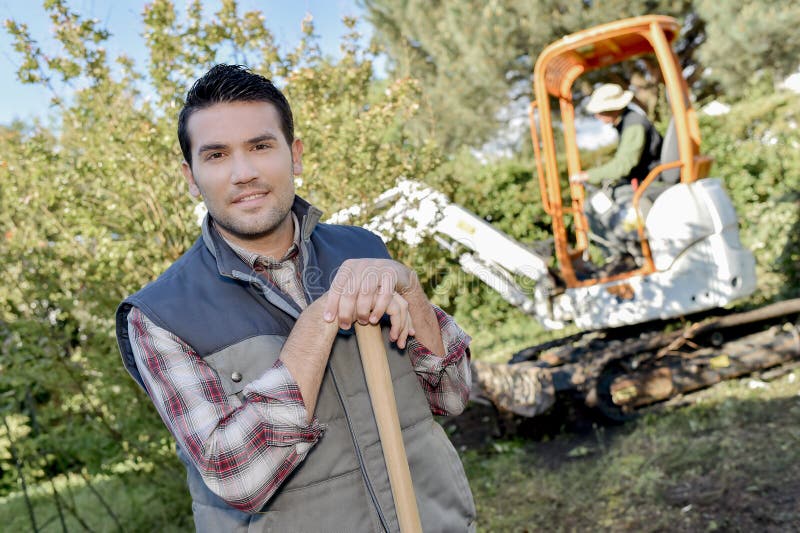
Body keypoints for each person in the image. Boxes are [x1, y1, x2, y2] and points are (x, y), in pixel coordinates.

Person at [115, 64, 476, 532]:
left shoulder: (362, 248)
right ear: (191, 176)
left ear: (295, 155)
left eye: (261, 146)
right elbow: (240, 478)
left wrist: (410, 288)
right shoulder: (160, 315)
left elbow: (453, 394)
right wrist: (319, 323)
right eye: (218, 155)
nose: (243, 173)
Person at [570, 83, 663, 260]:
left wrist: (588, 175)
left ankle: (619, 256)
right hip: (646, 180)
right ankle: (624, 252)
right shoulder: (627, 122)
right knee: (600, 200)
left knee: (595, 204)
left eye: (600, 110)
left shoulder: (634, 123)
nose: (596, 115)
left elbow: (624, 165)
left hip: (652, 182)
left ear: (613, 108)